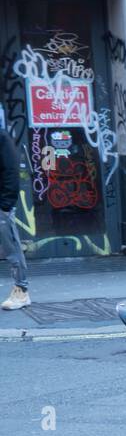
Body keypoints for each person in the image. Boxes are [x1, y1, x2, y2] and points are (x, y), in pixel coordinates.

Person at [0, 128, 30, 311]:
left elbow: (11, 171)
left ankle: (21, 290)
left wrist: (5, 205)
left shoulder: (1, 137)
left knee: (11, 248)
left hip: (1, 205)